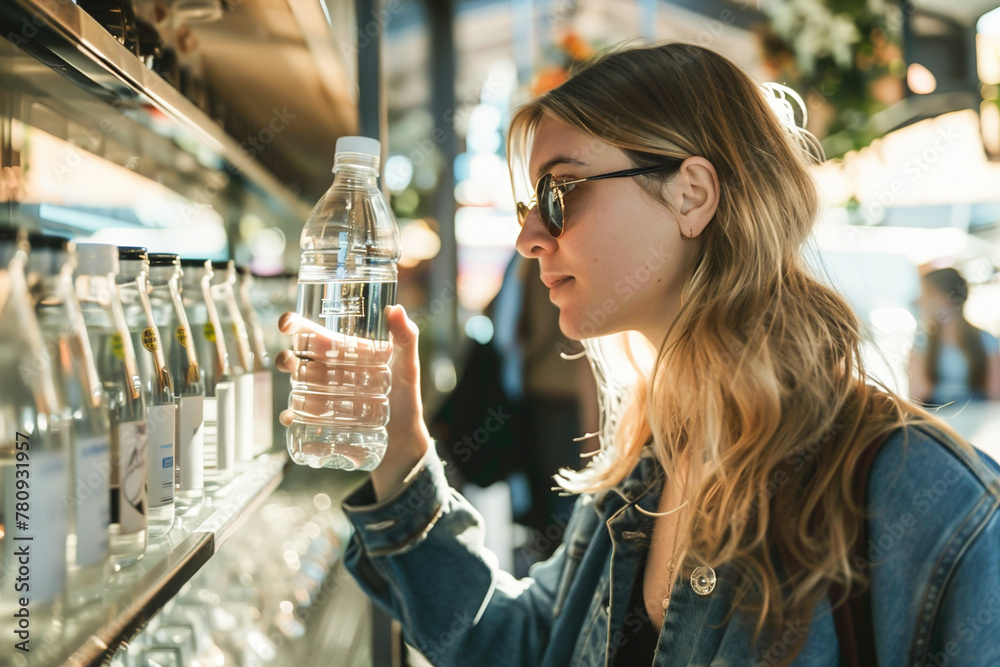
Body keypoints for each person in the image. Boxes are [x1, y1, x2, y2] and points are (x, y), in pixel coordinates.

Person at [277, 43, 1000, 665]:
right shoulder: (645, 463)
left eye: (559, 192)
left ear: (692, 194)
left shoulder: (923, 494)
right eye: (532, 202)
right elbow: (526, 647)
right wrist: (400, 445)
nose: (531, 236)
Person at [909, 266, 1000, 406]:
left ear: (946, 299)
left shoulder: (988, 341)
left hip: (978, 417)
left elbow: (995, 394)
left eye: (927, 295)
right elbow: (917, 394)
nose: (919, 302)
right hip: (940, 417)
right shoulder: (922, 342)